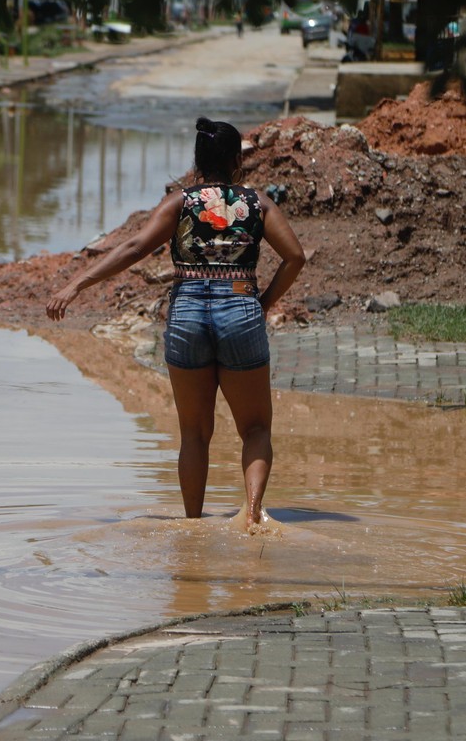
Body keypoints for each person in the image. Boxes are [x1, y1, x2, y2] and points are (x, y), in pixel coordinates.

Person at [47, 118, 305, 531]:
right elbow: (295, 257)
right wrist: (262, 303)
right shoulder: (257, 204)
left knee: (193, 433)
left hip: (187, 314)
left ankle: (192, 528)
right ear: (237, 160)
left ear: (198, 160)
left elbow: (133, 247)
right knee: (255, 428)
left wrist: (76, 284)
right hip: (240, 308)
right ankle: (253, 514)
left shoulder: (180, 203)